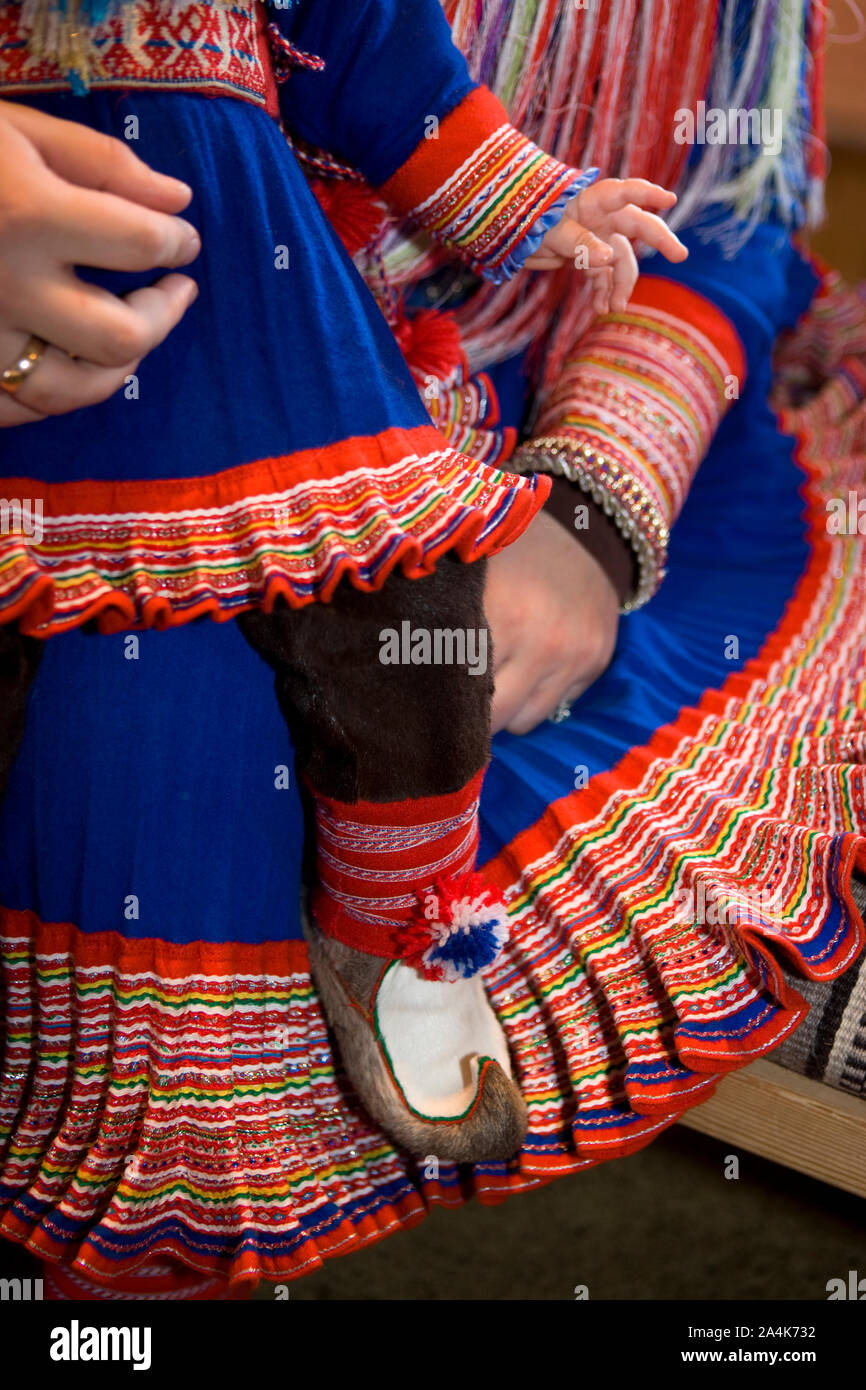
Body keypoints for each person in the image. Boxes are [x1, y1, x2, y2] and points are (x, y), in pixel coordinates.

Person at [1, 0, 864, 1300]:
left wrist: (588, 511)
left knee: (347, 683)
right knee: (133, 773)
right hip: (108, 323)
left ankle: (398, 912)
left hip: (450, 384)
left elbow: (718, 221)